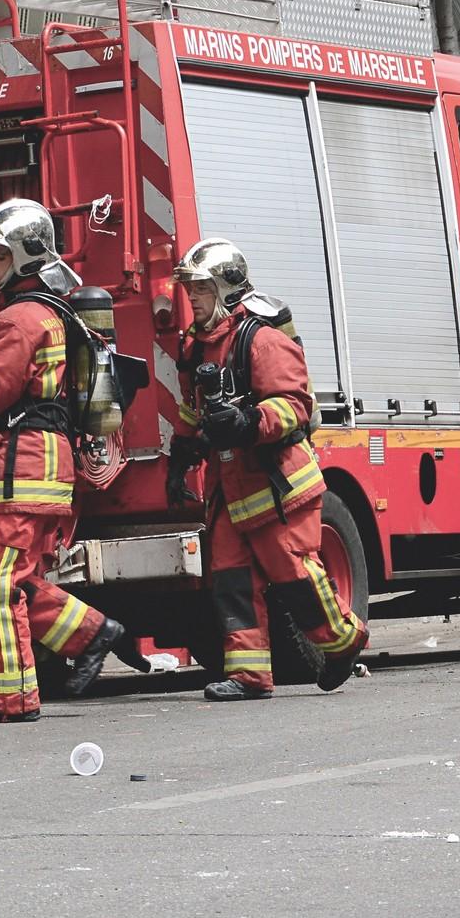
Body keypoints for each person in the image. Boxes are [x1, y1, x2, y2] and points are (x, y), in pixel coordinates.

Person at [0, 198, 143, 723]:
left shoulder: (18, 319)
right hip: (35, 467)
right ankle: (91, 635)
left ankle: (10, 698)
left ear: (22, 256)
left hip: (17, 472)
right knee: (15, 580)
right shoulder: (49, 312)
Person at [168, 238, 367, 700]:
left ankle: (344, 640)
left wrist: (250, 421)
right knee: (231, 581)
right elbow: (193, 412)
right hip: (229, 486)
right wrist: (182, 454)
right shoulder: (196, 350)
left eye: (200, 289)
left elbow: (294, 404)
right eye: (190, 290)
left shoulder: (261, 340)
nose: (191, 298)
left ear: (225, 289)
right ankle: (248, 674)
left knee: (294, 574)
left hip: (277, 483)